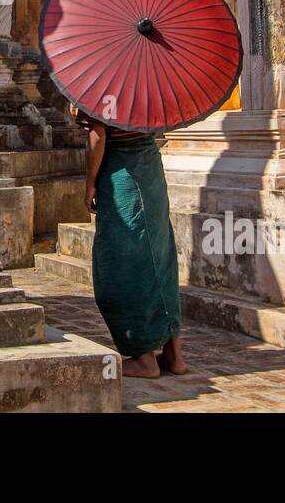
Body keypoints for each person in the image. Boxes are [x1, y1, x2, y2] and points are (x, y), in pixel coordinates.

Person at [81, 110, 187, 379]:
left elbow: (98, 136)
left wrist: (89, 183)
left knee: (122, 263)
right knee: (159, 256)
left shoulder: (101, 81)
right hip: (150, 164)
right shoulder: (149, 77)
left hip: (123, 171)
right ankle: (173, 353)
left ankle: (143, 357)